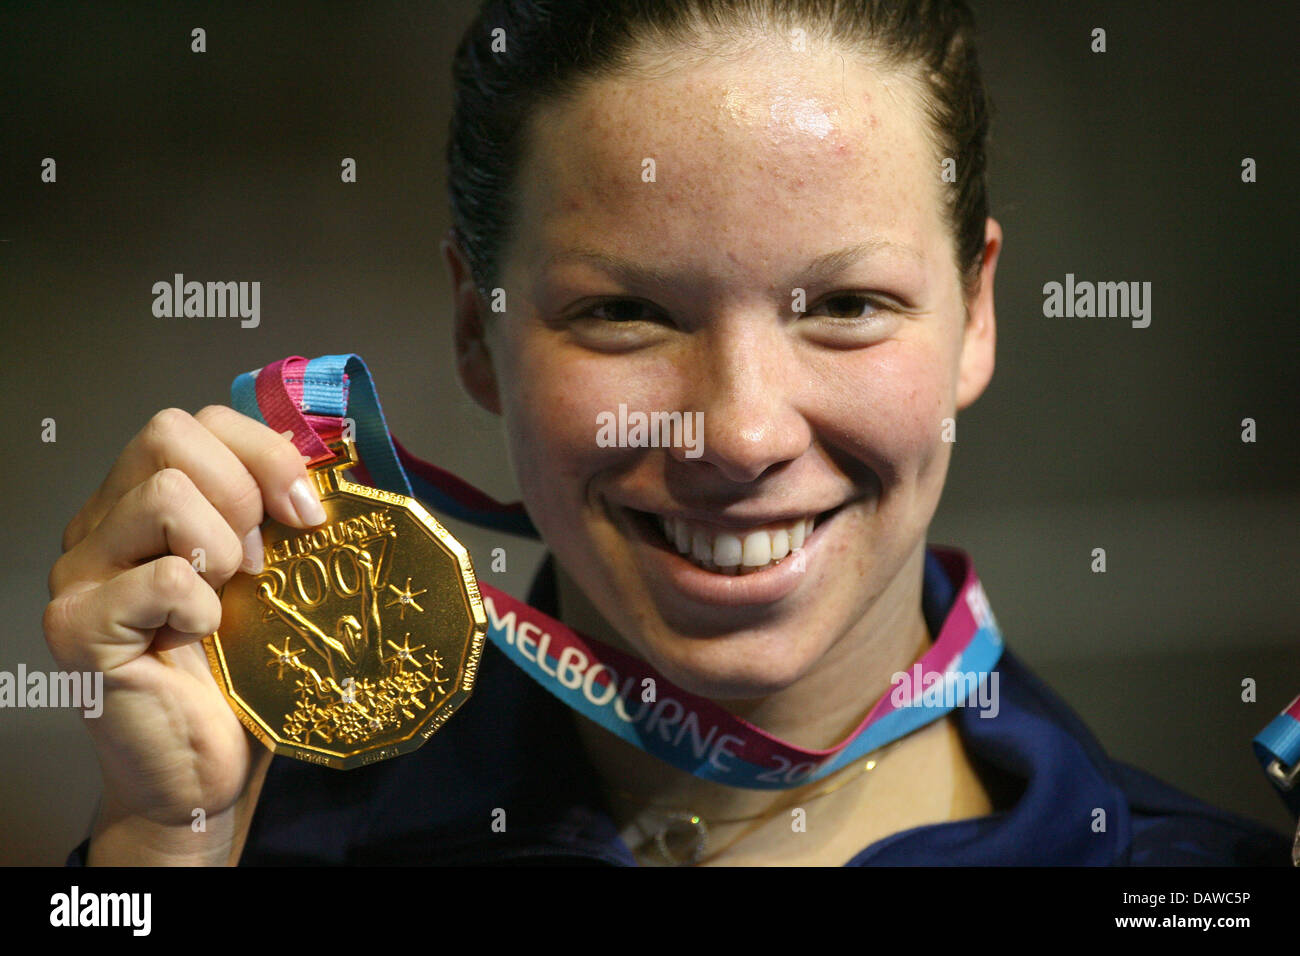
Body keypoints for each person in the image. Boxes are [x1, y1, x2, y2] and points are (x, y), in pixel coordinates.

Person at [48, 0, 1291, 866]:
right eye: (625, 313)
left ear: (974, 313)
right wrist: (163, 847)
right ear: (478, 336)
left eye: (846, 306)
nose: (741, 432)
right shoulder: (250, 837)